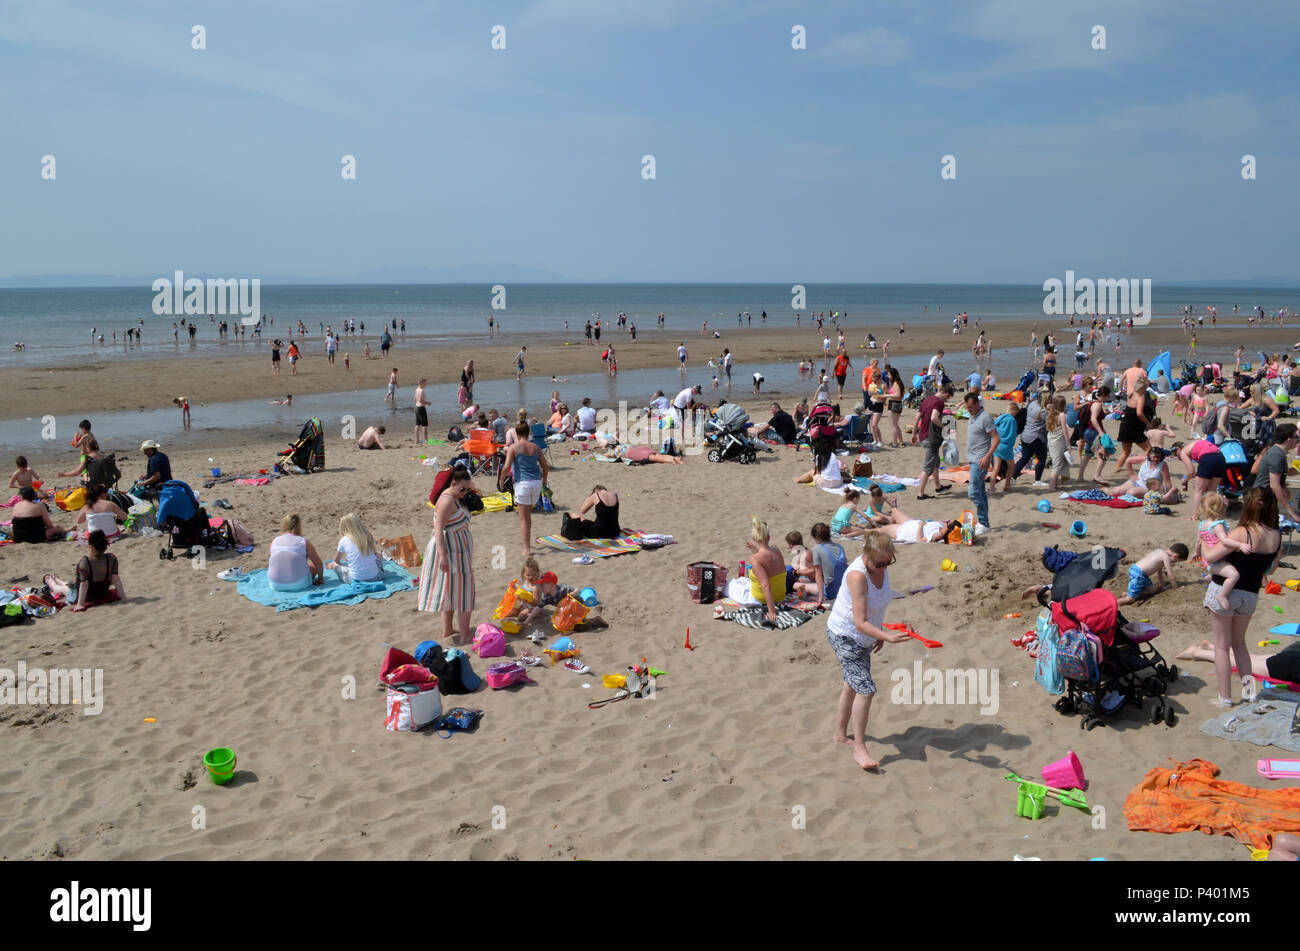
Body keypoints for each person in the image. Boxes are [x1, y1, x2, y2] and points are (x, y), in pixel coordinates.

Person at [824, 532, 912, 770]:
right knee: (866, 690)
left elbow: (877, 606)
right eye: (879, 563)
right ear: (867, 555)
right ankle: (860, 749)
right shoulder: (857, 576)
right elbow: (860, 621)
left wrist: (879, 631)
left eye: (888, 562)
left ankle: (840, 734)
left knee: (851, 684)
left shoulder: (880, 567)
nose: (883, 568)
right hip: (845, 635)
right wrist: (887, 636)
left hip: (863, 636)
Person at [1201, 486, 1282, 705]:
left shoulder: (1243, 532)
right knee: (1240, 645)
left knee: (1221, 646)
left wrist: (1202, 544)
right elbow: (1271, 570)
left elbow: (1211, 555)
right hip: (1250, 594)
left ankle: (1225, 697)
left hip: (1225, 591)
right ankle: (1248, 692)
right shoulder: (1276, 536)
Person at [417, 467, 477, 643]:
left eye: (468, 489)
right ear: (453, 484)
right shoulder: (446, 501)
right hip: (450, 549)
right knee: (465, 590)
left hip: (457, 547)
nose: (465, 493)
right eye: (462, 489)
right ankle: (465, 634)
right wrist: (442, 555)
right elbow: (438, 528)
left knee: (450, 589)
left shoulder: (454, 497)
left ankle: (448, 630)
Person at [43, 530, 125, 611]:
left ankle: (49, 579)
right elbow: (116, 579)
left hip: (85, 595)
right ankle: (57, 579)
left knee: (61, 589)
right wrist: (124, 597)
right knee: (71, 585)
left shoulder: (85, 563)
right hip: (101, 593)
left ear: (91, 547)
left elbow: (84, 585)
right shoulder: (111, 558)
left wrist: (80, 605)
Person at [503, 421, 550, 558]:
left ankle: (526, 548)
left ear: (517, 434)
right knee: (527, 516)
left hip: (523, 484)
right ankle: (527, 543)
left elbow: (506, 468)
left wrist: (501, 481)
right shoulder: (536, 447)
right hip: (536, 483)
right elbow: (545, 466)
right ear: (528, 432)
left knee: (523, 518)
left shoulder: (514, 447)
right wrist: (544, 481)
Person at [963, 390, 998, 535]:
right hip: (972, 459)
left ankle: (983, 522)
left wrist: (987, 456)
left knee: (973, 492)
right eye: (967, 407)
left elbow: (996, 438)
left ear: (978, 404)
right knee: (981, 492)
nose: (968, 410)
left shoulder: (985, 418)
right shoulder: (972, 416)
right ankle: (984, 523)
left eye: (970, 407)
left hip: (980, 460)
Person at [1252, 423, 1300, 525]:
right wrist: (1290, 511)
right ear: (1289, 439)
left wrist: (1284, 488)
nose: (1298, 441)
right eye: (1297, 437)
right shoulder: (1277, 455)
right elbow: (1274, 485)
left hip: (1265, 498)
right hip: (1262, 499)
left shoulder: (1279, 453)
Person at [914, 383, 954, 500]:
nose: (946, 400)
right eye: (947, 398)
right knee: (928, 467)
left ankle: (938, 487)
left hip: (922, 435)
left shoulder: (927, 400)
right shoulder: (939, 402)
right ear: (946, 394)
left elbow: (917, 417)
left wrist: (914, 433)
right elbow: (933, 417)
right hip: (931, 438)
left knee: (935, 463)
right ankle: (920, 494)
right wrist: (944, 427)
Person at [745, 518, 788, 625]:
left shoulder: (755, 559)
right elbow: (769, 565)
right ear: (769, 537)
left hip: (762, 599)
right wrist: (755, 550)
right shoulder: (777, 551)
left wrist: (772, 611)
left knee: (732, 585)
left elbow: (766, 586)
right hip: (781, 595)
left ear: (754, 538)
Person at [267, 513, 325, 591]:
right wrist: (320, 579)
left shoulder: (274, 541)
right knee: (312, 565)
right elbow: (319, 564)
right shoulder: (303, 542)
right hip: (298, 584)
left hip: (275, 584)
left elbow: (274, 562)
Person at [1117, 544, 1187, 606]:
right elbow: (1170, 575)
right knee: (1130, 599)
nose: (1175, 562)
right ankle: (1114, 604)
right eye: (1177, 561)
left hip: (1140, 572)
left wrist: (1163, 586)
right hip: (1138, 573)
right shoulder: (1165, 557)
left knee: (1152, 591)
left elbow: (1159, 573)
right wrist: (1175, 587)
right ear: (1175, 556)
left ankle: (1128, 593)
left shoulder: (1160, 551)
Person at [795, 522, 847, 602]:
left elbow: (818, 575)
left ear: (817, 537)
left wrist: (821, 598)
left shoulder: (817, 548)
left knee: (796, 586)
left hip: (831, 591)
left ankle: (811, 598)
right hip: (844, 588)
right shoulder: (840, 547)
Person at [326, 513, 385, 583]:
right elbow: (374, 553)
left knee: (334, 564)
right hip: (376, 577)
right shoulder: (368, 536)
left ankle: (331, 566)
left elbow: (336, 560)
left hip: (354, 579)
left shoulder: (344, 540)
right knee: (378, 554)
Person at [1011, 390, 1050, 486]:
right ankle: (1037, 481)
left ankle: (1013, 477)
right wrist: (1052, 410)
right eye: (1050, 399)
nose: (1051, 400)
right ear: (1045, 399)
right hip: (1035, 437)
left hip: (1025, 435)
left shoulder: (1032, 403)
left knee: (1025, 457)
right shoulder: (1042, 411)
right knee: (1042, 458)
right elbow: (1050, 422)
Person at [413, 378, 430, 444]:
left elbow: (414, 399)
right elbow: (420, 400)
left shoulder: (416, 389)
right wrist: (427, 403)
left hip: (416, 407)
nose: (426, 385)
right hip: (421, 408)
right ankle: (426, 440)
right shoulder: (421, 390)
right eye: (425, 383)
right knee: (424, 425)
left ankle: (417, 440)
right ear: (421, 383)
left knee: (417, 424)